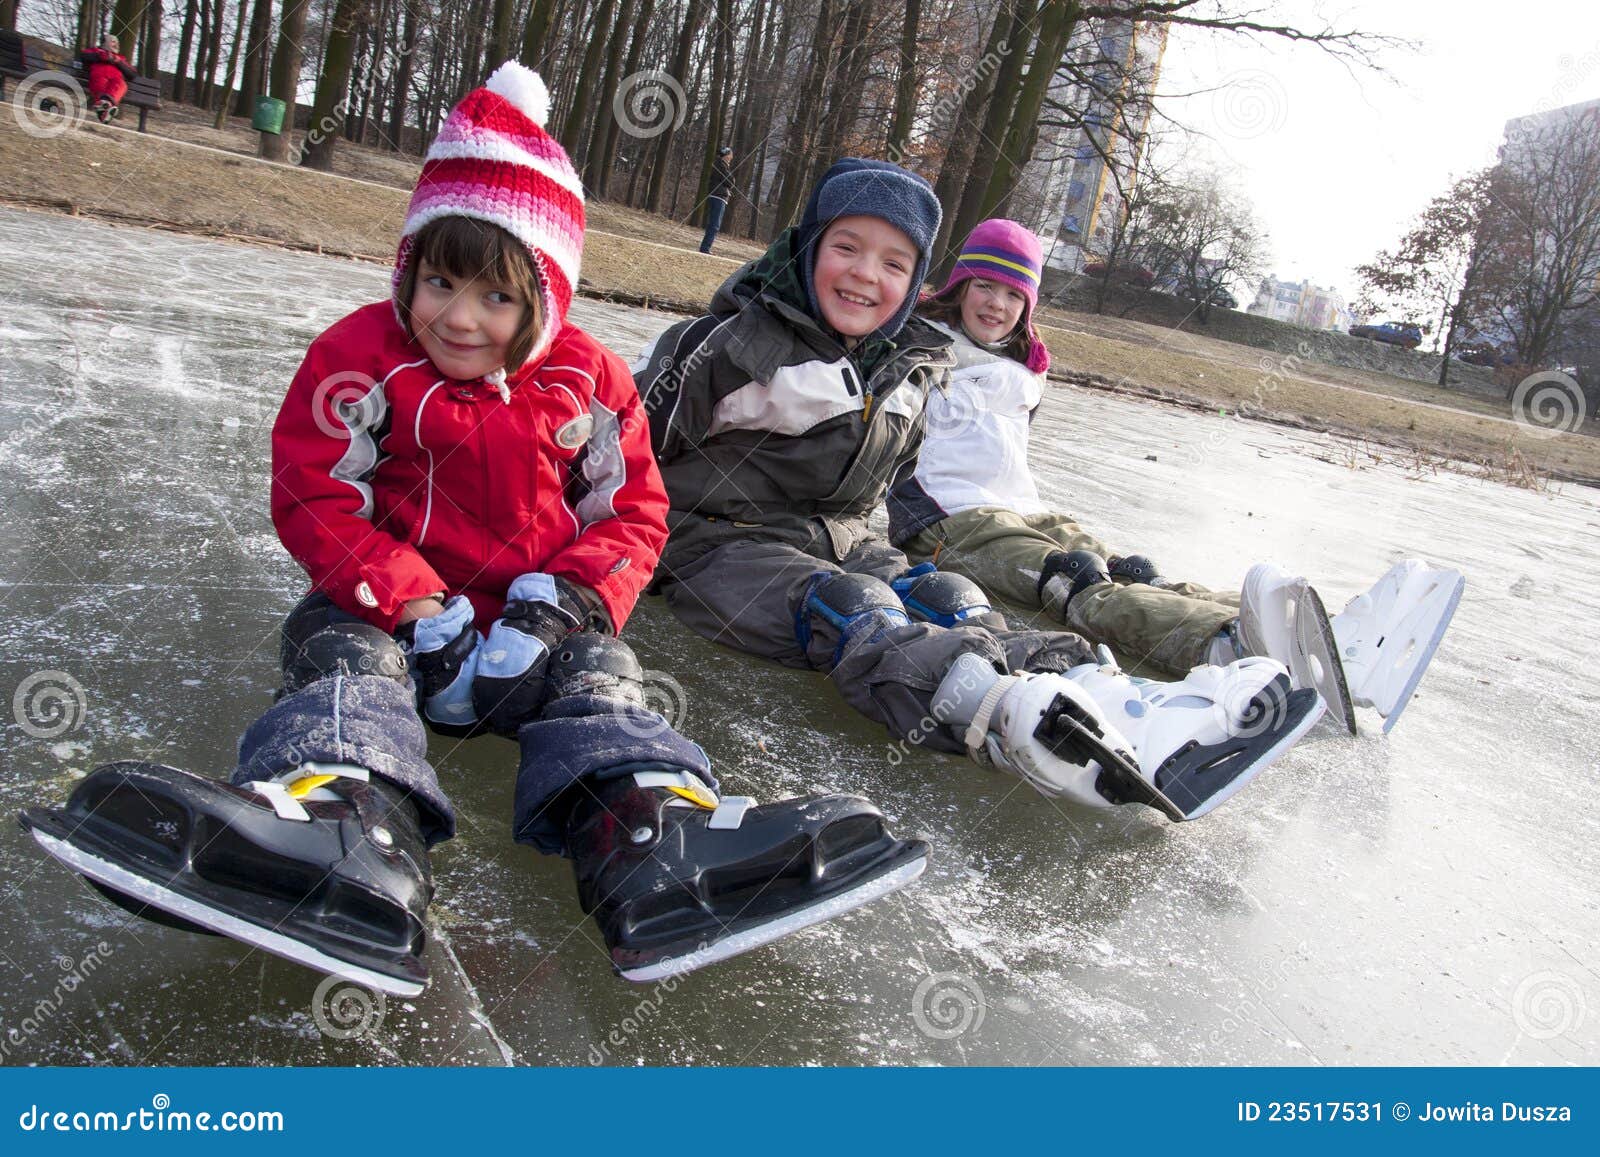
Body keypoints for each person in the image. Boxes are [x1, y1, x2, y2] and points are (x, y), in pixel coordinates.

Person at [19, 64, 927, 999]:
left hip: (535, 637)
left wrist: (560, 609)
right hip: (399, 621)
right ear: (408, 266)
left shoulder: (590, 381)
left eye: (496, 297)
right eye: (439, 280)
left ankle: (644, 832)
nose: (457, 317)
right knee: (340, 649)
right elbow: (312, 493)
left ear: (547, 298)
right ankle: (348, 817)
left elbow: (633, 514)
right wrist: (409, 601)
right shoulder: (359, 357)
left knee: (602, 679)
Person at [635, 160, 1324, 827]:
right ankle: (999, 713)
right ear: (808, 246)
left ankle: (1108, 695)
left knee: (953, 599)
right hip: (717, 543)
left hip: (840, 536)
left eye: (895, 263)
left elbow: (882, 487)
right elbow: (623, 446)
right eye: (847, 246)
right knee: (854, 608)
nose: (866, 274)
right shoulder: (731, 347)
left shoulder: (909, 367)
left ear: (913, 283)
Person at [888, 218, 1465, 734]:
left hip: (1024, 508)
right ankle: (1226, 644)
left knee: (1134, 573)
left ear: (1029, 303)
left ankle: (1330, 640)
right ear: (960, 286)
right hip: (946, 518)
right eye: (984, 286)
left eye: (1014, 293)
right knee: (1077, 584)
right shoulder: (916, 350)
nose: (996, 304)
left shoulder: (1023, 369)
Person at [78, 35, 135, 124]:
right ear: (106, 42)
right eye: (113, 42)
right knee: (100, 85)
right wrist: (100, 56)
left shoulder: (120, 58)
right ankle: (105, 109)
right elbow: (84, 56)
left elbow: (132, 74)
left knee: (121, 85)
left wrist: (119, 62)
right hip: (99, 77)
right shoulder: (95, 51)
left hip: (116, 80)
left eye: (117, 43)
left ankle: (105, 106)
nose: (116, 45)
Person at [699, 145, 734, 254]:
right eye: (730, 154)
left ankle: (705, 247)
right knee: (714, 225)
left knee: (713, 224)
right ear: (727, 156)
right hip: (719, 196)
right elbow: (730, 182)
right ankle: (705, 248)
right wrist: (731, 180)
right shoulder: (721, 165)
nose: (731, 157)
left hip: (717, 196)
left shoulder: (720, 165)